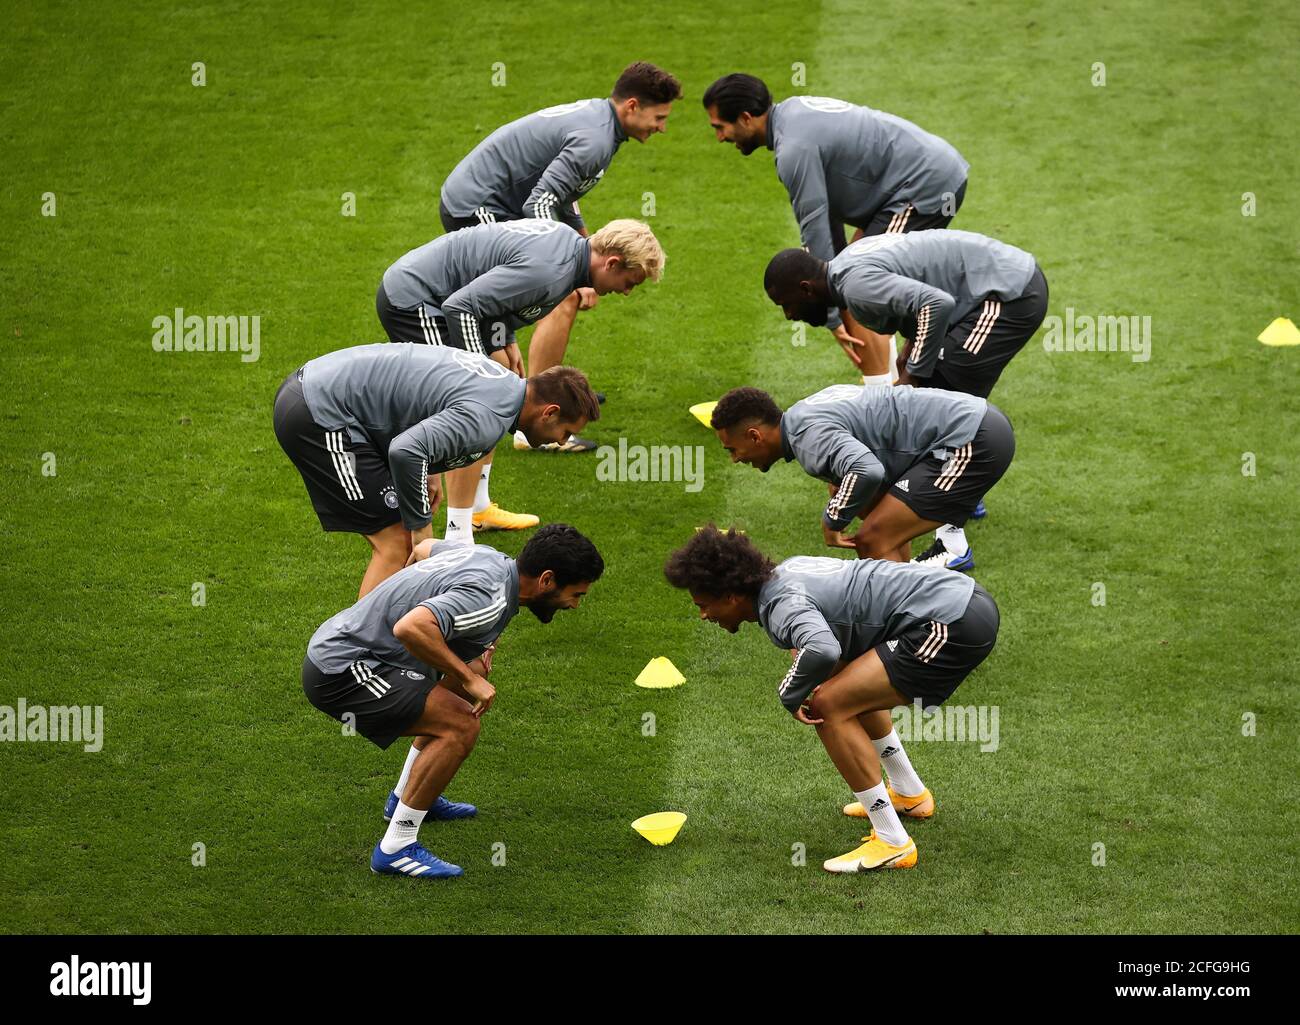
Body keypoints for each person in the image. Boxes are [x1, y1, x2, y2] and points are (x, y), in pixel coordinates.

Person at [664, 527, 998, 873]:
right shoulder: (787, 570)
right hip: (963, 600)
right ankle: (909, 794)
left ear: (731, 594)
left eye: (704, 605)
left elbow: (822, 649)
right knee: (843, 685)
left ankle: (892, 843)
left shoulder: (780, 606)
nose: (704, 615)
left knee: (828, 706)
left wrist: (789, 694)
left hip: (950, 623)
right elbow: (837, 634)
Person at [303, 524, 604, 879]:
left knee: (468, 676)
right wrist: (468, 677)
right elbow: (410, 628)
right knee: (461, 724)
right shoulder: (489, 599)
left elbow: (426, 547)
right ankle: (396, 847)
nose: (575, 604)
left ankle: (405, 799)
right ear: (547, 580)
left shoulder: (491, 558)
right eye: (576, 593)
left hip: (351, 646)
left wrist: (471, 661)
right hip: (341, 669)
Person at [763, 229, 1048, 567]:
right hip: (997, 285)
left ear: (806, 289)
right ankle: (958, 490)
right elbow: (921, 304)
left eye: (787, 305)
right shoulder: (848, 267)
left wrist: (911, 376)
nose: (789, 316)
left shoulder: (856, 288)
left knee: (943, 392)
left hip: (1007, 293)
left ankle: (953, 540)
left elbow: (936, 305)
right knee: (931, 390)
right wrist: (908, 360)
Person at [440, 61, 681, 447]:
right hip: (478, 204)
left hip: (489, 199)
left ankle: (534, 398)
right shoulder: (596, 141)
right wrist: (577, 273)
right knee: (549, 293)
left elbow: (564, 196)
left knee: (541, 290)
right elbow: (540, 207)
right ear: (632, 106)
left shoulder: (603, 126)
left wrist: (586, 243)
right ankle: (530, 410)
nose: (662, 127)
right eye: (660, 117)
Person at [377, 217, 660, 533]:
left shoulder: (567, 250)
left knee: (499, 385)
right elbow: (460, 307)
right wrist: (479, 376)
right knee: (477, 404)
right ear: (612, 263)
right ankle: (457, 534)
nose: (626, 293)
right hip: (416, 300)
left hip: (435, 296)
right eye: (631, 283)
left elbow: (496, 288)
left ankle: (478, 508)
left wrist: (503, 340)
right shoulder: (551, 272)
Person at [274, 343, 598, 595]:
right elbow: (405, 451)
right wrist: (421, 530)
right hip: (320, 414)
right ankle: (359, 656)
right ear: (550, 412)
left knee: (400, 535)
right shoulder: (487, 419)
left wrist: (428, 472)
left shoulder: (502, 384)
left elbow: (428, 401)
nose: (561, 441)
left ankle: (383, 648)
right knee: (398, 541)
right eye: (565, 432)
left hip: (320, 389)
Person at [703, 73, 967, 383]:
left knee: (857, 284)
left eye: (720, 127)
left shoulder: (793, 150)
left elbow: (815, 237)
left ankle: (883, 402)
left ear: (746, 118)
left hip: (925, 185)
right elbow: (827, 227)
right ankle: (897, 379)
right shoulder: (792, 113)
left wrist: (831, 315)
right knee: (853, 277)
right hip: (919, 176)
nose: (720, 137)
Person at [709, 383, 1014, 569]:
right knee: (871, 516)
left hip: (970, 441)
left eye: (733, 450)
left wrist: (832, 521)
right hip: (975, 425)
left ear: (754, 436)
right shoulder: (803, 412)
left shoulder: (806, 439)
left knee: (872, 538)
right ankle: (905, 618)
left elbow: (867, 470)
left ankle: (914, 635)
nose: (736, 459)